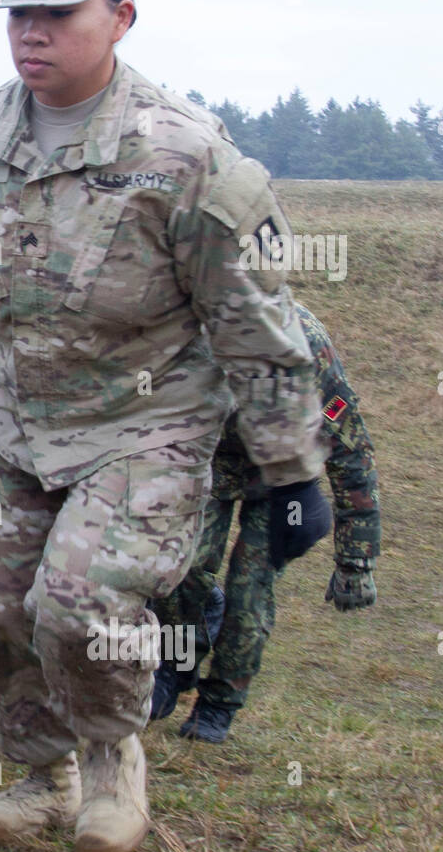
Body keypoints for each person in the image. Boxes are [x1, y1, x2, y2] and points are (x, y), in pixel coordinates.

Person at [0, 0, 330, 852]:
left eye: (58, 12)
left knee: (82, 600)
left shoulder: (189, 156)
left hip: (150, 423)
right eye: (17, 13)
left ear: (122, 16)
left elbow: (256, 320)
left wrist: (294, 470)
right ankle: (42, 777)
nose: (31, 32)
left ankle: (111, 770)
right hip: (20, 421)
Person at [150, 301, 381, 741]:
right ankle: (175, 667)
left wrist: (357, 561)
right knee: (177, 571)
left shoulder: (306, 346)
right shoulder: (181, 327)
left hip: (285, 478)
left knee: (249, 590)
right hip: (208, 463)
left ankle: (218, 704)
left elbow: (351, 448)